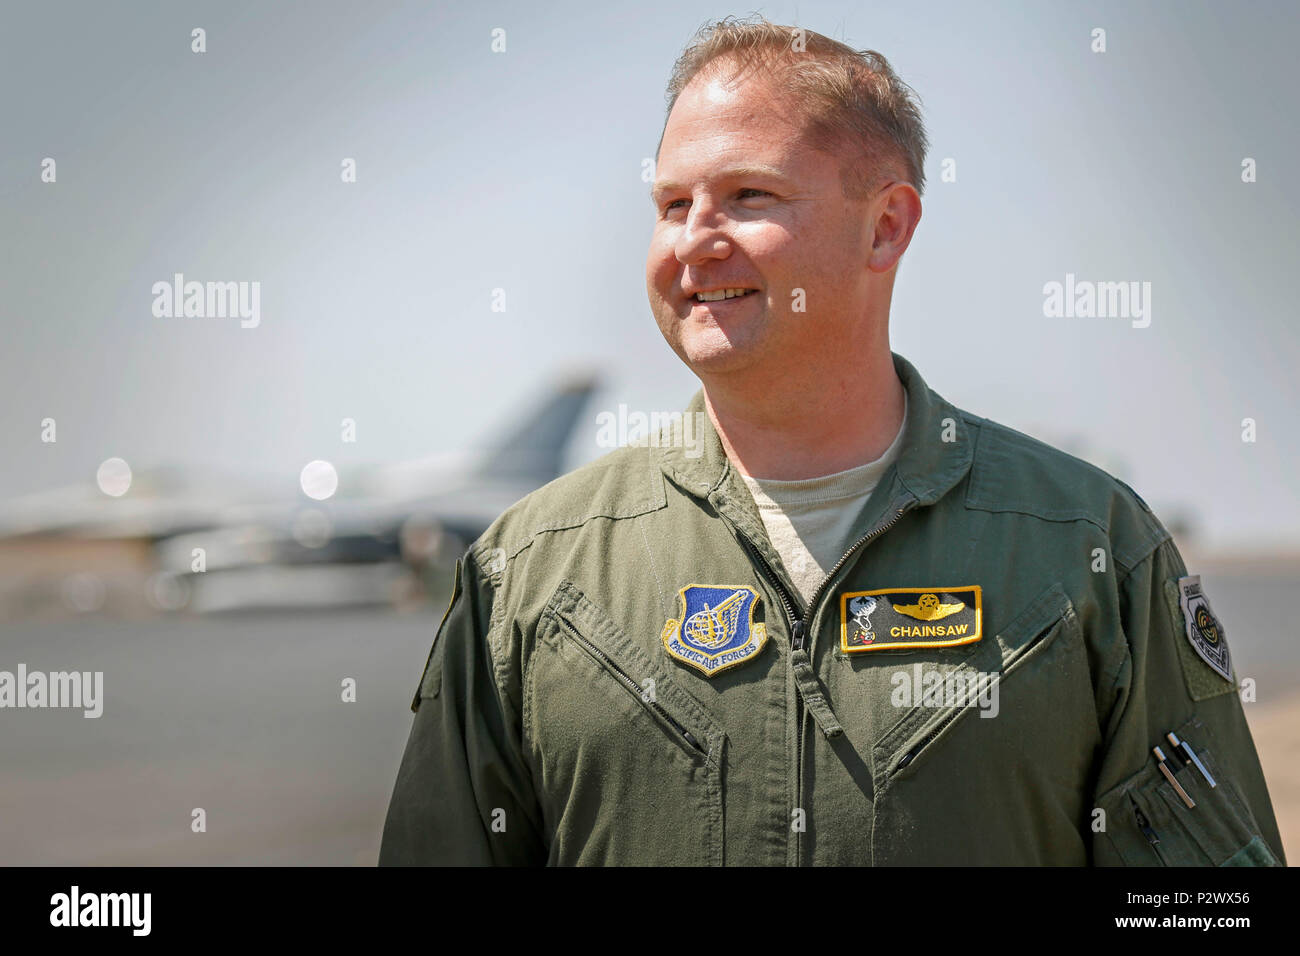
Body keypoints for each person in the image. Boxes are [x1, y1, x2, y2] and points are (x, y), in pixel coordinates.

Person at [378, 16, 1285, 866]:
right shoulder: (531, 572)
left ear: (885, 226)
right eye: (670, 203)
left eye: (746, 196)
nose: (693, 242)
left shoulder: (1087, 548)